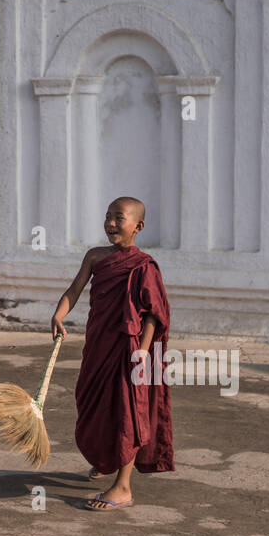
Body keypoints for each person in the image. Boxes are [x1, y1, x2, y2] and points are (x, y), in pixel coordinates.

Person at [51, 196, 173, 510]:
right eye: (108, 217)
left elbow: (152, 315)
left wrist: (143, 353)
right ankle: (105, 458)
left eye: (119, 218)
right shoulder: (95, 256)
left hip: (128, 350)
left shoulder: (144, 265)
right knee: (92, 402)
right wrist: (58, 315)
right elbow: (75, 289)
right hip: (98, 345)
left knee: (126, 412)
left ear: (138, 226)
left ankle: (123, 486)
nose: (111, 224)